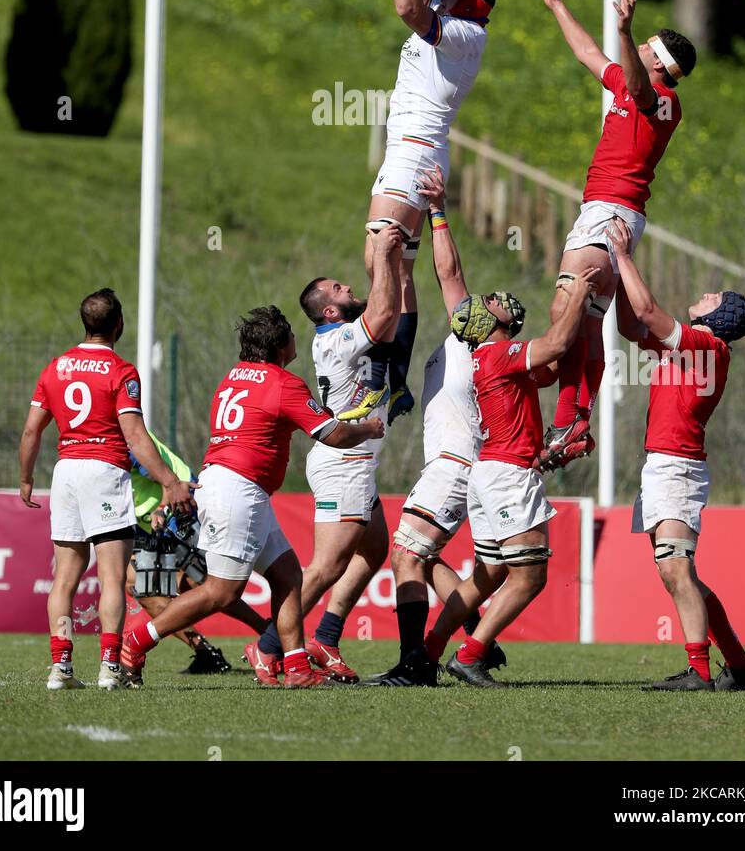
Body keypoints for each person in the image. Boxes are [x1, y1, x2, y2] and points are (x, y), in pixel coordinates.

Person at [123, 305, 384, 689]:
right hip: (238, 491)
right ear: (280, 345)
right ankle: (134, 643)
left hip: (234, 487)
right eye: (292, 334)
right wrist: (368, 427)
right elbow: (332, 435)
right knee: (220, 591)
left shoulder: (232, 377)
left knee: (287, 574)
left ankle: (296, 667)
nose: (297, 339)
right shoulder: (283, 383)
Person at [366, 165, 536, 686]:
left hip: (456, 463)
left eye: (485, 304)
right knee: (428, 556)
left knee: (405, 554)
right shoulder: (474, 342)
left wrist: (438, 212)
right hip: (461, 463)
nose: (472, 303)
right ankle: (466, 639)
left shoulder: (478, 341)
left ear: (495, 321)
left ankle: (416, 663)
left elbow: (448, 274)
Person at [535, 0, 697, 469]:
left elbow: (640, 87)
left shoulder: (660, 99)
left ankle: (573, 417)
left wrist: (627, 31)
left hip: (609, 213)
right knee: (583, 324)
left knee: (567, 316)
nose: (638, 49)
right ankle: (575, 423)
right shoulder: (631, 89)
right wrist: (557, 5)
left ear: (657, 62)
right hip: (609, 213)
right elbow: (588, 53)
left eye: (647, 47)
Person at [422, 268, 599, 687]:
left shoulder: (490, 357)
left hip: (489, 472)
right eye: (490, 302)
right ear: (488, 322)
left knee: (490, 574)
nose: (496, 299)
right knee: (530, 576)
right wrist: (581, 296)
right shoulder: (498, 354)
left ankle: (427, 651)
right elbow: (556, 344)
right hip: (508, 474)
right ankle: (470, 655)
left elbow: (552, 367)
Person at [360, 0, 495, 423]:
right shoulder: (450, 13)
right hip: (409, 151)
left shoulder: (465, 34)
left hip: (414, 154)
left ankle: (378, 378)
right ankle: (394, 383)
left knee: (380, 257)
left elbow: (405, 6)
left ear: (473, 6)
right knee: (397, 268)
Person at [609, 217, 745, 691]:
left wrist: (623, 255)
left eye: (715, 298)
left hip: (676, 468)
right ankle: (738, 666)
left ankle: (698, 672)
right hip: (665, 466)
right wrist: (614, 279)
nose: (706, 294)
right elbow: (633, 325)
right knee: (683, 573)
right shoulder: (696, 347)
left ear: (718, 318)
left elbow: (650, 311)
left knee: (675, 570)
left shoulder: (707, 345)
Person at [248, 226, 403, 684]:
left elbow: (380, 303)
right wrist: (387, 251)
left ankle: (326, 638)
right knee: (326, 567)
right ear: (330, 309)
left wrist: (382, 249)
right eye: (339, 287)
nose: (348, 285)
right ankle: (266, 646)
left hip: (357, 461)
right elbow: (386, 307)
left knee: (374, 550)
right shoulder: (338, 339)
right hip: (344, 462)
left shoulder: (340, 333)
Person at [18, 288, 193, 691]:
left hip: (65, 473)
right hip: (104, 471)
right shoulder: (121, 370)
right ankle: (110, 668)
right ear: (119, 325)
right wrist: (169, 481)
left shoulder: (56, 367)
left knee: (64, 580)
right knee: (113, 580)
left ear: (85, 323)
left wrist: (26, 478)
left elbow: (31, 429)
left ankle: (60, 668)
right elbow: (134, 435)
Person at [124, 429, 267, 680]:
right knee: (144, 587)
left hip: (178, 508)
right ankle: (206, 652)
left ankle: (268, 635)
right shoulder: (90, 442)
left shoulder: (125, 438)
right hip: (146, 525)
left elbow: (169, 480)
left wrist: (161, 509)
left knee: (205, 584)